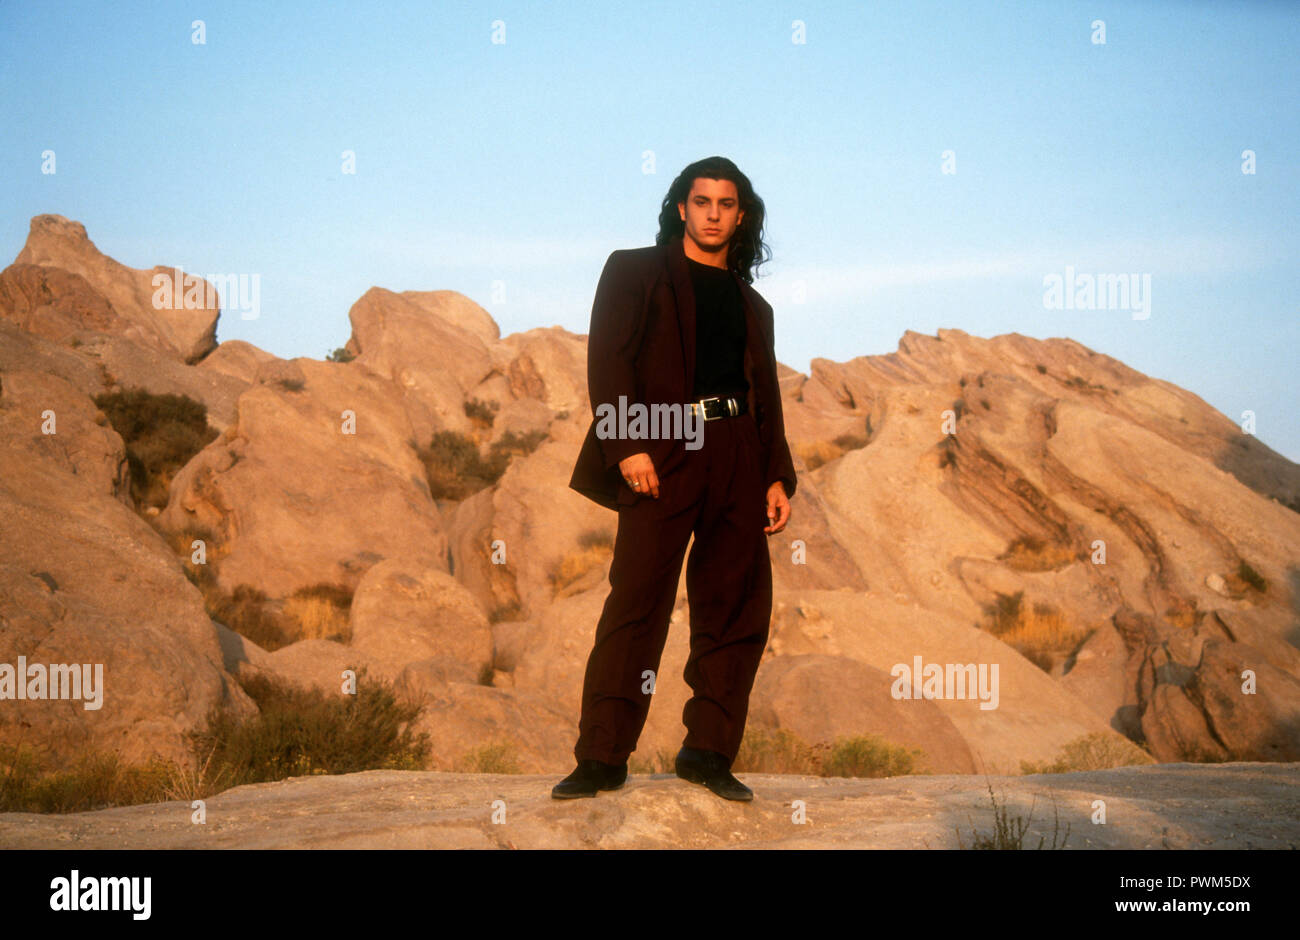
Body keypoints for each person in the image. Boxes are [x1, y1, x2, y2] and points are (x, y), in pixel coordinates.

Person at [557, 156, 796, 802]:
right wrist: (625, 443)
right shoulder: (635, 271)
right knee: (637, 601)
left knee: (737, 606)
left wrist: (776, 476)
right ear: (682, 208)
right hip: (663, 442)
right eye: (701, 201)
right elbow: (609, 361)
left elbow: (764, 394)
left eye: (726, 204)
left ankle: (708, 753)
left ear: (741, 216)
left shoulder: (755, 306)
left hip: (739, 451)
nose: (713, 213)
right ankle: (602, 756)